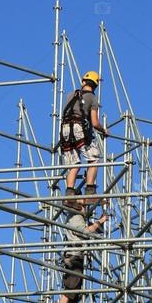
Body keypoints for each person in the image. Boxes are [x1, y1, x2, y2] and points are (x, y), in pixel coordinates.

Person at [51, 205, 108, 303]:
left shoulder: (80, 218)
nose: (87, 208)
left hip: (78, 257)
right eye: (84, 205)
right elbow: (85, 231)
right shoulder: (75, 217)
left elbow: (92, 231)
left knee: (74, 294)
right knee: (70, 289)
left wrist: (99, 223)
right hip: (74, 257)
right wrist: (100, 221)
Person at [60, 71, 108, 204]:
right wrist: (103, 130)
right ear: (95, 85)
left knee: (74, 163)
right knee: (93, 159)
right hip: (79, 128)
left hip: (65, 130)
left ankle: (69, 195)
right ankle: (90, 191)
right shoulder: (92, 98)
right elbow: (95, 122)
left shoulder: (70, 95)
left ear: (83, 82)